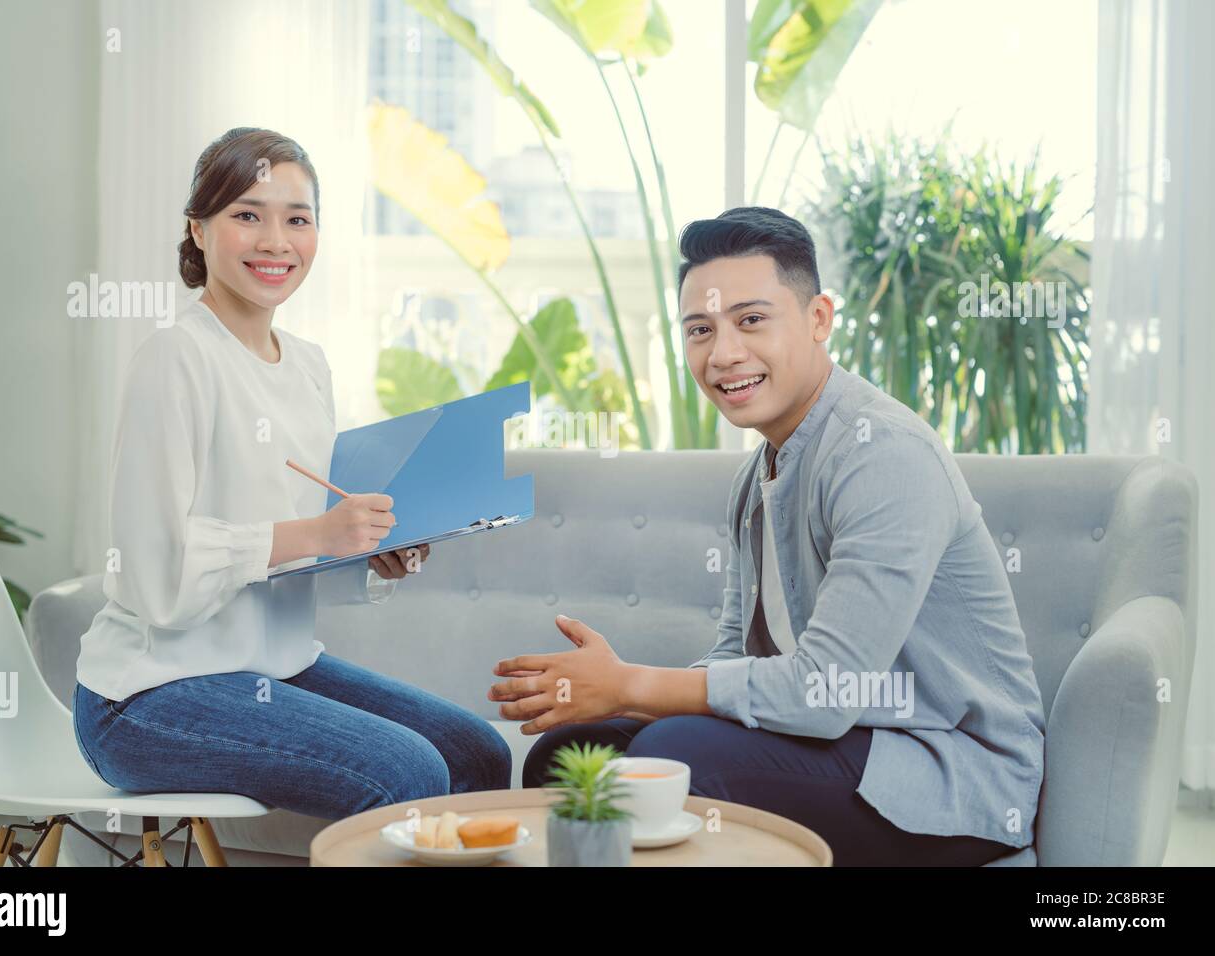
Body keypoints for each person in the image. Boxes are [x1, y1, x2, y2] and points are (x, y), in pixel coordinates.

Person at [498, 207, 1045, 866]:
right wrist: (602, 697)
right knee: (572, 757)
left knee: (676, 761)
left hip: (944, 771)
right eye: (700, 329)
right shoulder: (758, 475)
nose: (724, 353)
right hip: (840, 743)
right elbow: (737, 659)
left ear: (819, 319)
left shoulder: (884, 455)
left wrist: (630, 686)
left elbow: (827, 692)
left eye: (751, 320)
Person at [72, 127, 510, 820]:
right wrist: (316, 530)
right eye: (247, 215)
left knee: (477, 753)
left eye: (297, 219)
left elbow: (285, 559)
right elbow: (156, 578)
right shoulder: (174, 358)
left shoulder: (307, 366)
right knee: (408, 770)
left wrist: (367, 550)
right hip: (149, 694)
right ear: (198, 228)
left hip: (270, 667)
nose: (276, 240)